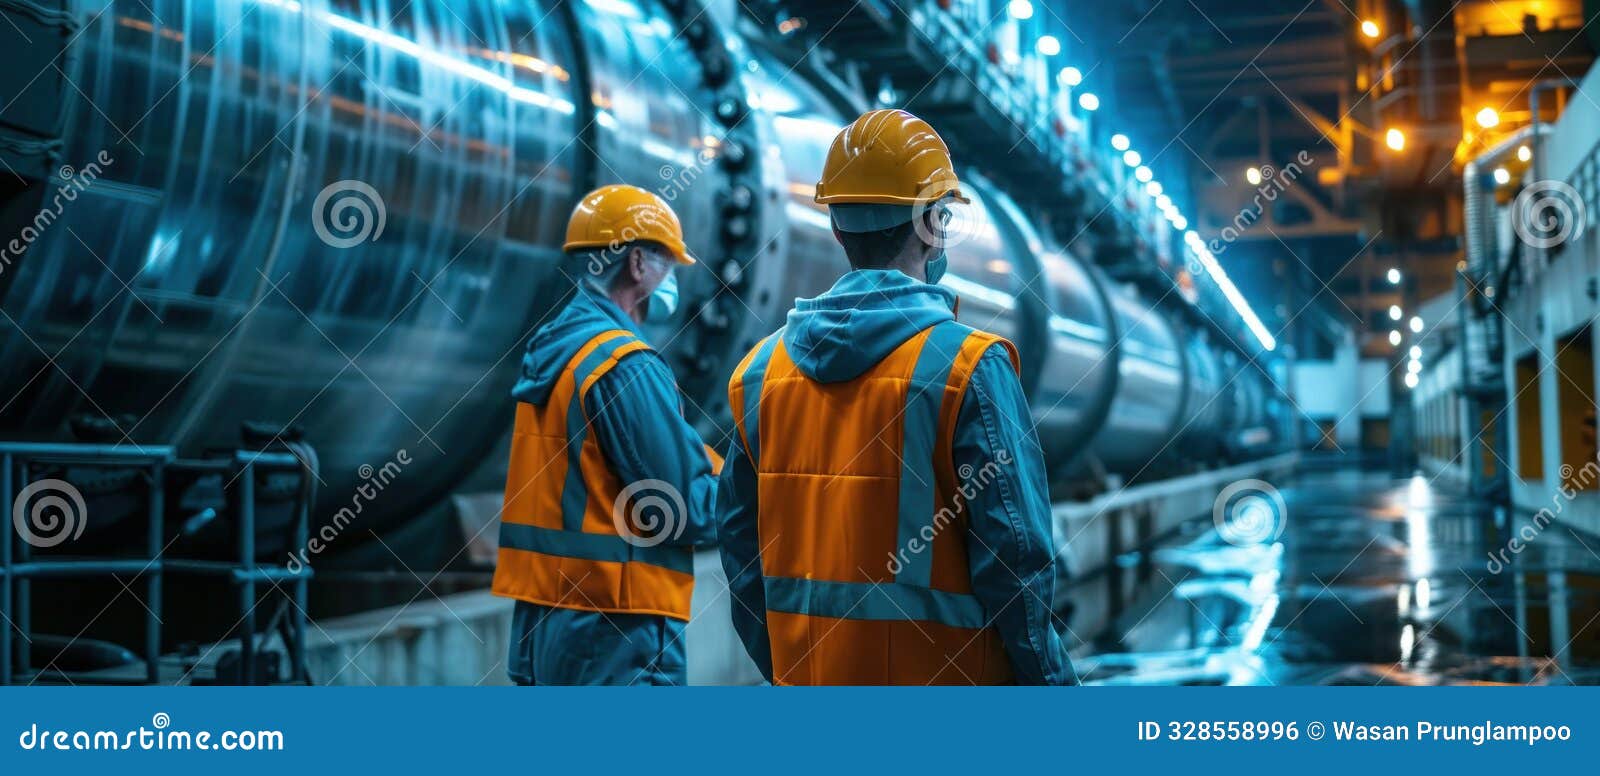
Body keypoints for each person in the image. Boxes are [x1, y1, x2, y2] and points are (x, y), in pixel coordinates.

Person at [714, 110, 1076, 685]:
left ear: (837, 228)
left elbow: (740, 559)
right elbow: (1017, 566)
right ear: (933, 225)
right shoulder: (969, 368)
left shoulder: (758, 375)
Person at [492, 184, 720, 685]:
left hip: (544, 618)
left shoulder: (557, 352)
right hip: (617, 624)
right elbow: (684, 507)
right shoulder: (625, 365)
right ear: (637, 264)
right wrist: (745, 484)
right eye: (667, 265)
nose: (672, 281)